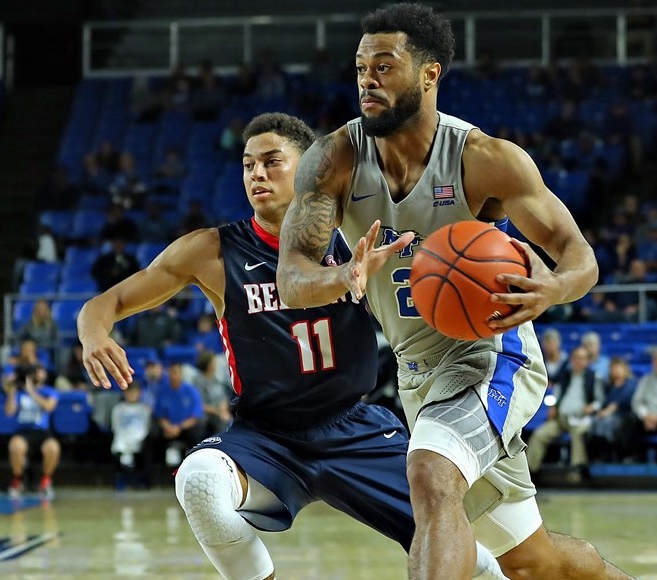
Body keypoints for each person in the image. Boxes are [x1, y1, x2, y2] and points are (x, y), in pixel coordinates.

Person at [276, 4, 628, 578]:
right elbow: (291, 280)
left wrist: (553, 289)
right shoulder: (333, 158)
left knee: (430, 477)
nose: (367, 78)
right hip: (418, 372)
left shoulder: (484, 159)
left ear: (429, 74)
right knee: (535, 563)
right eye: (361, 66)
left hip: (493, 354)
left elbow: (578, 255)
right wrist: (342, 276)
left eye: (385, 66)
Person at [78, 112, 505, 580]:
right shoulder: (214, 251)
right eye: (247, 165)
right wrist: (94, 332)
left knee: (463, 552)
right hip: (266, 436)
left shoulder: (356, 235)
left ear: (308, 169)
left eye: (271, 162)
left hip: (353, 428)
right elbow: (109, 301)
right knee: (199, 481)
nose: (256, 174)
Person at [526, 346, 601, 479]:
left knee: (578, 433)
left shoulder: (593, 377)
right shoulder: (565, 376)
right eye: (576, 358)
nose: (579, 361)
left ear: (587, 361)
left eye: (582, 358)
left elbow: (599, 401)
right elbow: (557, 395)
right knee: (540, 434)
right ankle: (530, 471)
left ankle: (576, 470)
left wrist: (592, 407)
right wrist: (554, 407)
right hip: (561, 419)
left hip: (581, 419)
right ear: (572, 360)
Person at [3, 365, 60, 498]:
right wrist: (11, 389)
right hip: (23, 430)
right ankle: (18, 480)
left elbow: (48, 407)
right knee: (15, 447)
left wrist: (32, 391)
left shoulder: (49, 391)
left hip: (42, 431)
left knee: (53, 448)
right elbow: (9, 411)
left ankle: (45, 481)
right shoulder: (18, 393)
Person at [153, 360, 205, 467]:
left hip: (185, 429)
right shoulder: (163, 391)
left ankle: (195, 468)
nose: (173, 376)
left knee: (197, 435)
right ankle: (153, 477)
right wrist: (167, 427)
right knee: (150, 439)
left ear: (181, 374)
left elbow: (195, 417)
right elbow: (159, 415)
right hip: (167, 429)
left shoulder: (191, 391)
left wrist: (178, 428)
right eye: (171, 373)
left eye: (175, 372)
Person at [110, 380, 153, 489]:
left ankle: (140, 482)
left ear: (139, 393)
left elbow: (146, 427)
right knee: (119, 450)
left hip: (138, 439)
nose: (131, 395)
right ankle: (121, 480)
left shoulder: (145, 409)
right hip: (122, 439)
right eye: (129, 392)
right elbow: (116, 426)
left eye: (134, 392)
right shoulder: (118, 409)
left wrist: (137, 438)